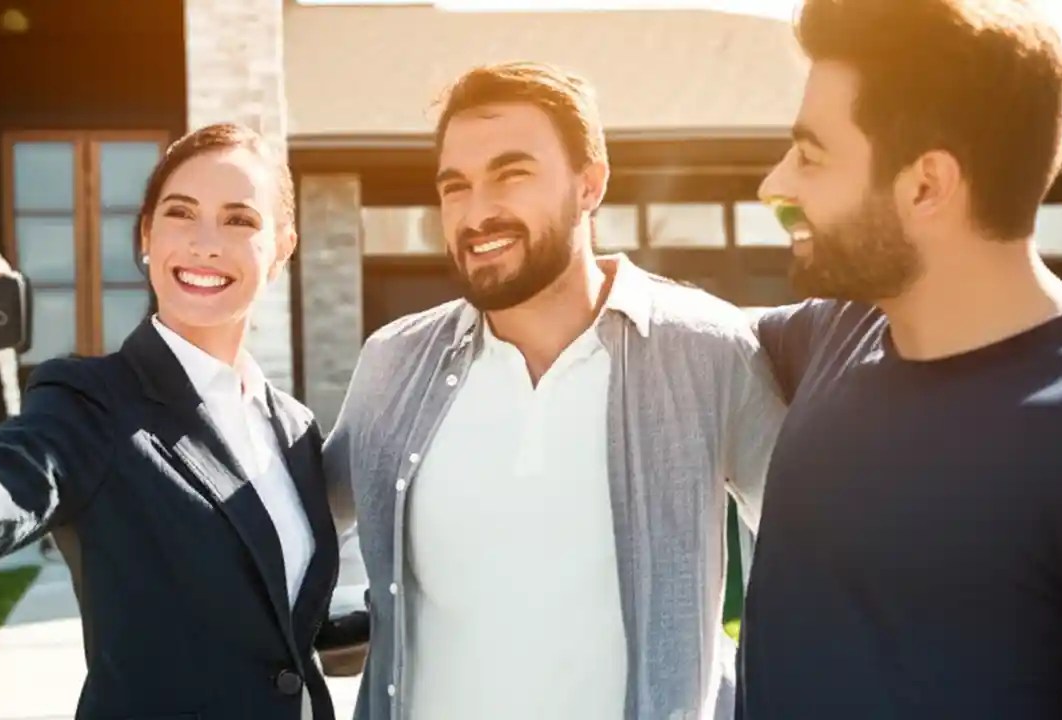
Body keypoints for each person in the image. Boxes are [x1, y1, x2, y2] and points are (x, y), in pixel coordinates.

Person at [325, 62, 786, 720]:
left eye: (512, 174)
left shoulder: (706, 352)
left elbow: (820, 564)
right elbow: (295, 535)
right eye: (456, 186)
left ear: (589, 185)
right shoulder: (393, 363)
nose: (477, 211)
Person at [0, 123, 343, 720]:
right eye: (180, 213)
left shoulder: (293, 428)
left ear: (282, 249)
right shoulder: (91, 403)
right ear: (146, 235)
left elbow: (273, 622)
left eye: (240, 220)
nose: (204, 243)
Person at [740, 1, 1062, 718]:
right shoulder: (832, 335)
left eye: (810, 155)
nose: (775, 187)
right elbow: (664, 334)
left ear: (926, 186)